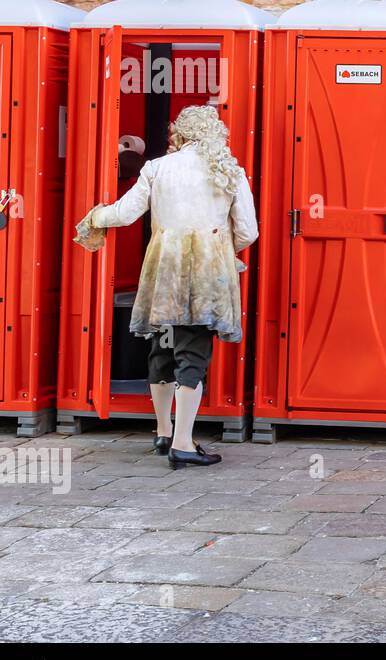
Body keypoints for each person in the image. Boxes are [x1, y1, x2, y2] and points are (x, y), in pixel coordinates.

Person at [74, 105, 257, 469]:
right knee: (193, 353)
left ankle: (162, 431)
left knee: (162, 345)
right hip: (206, 273)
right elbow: (248, 231)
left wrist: (95, 216)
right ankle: (184, 443)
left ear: (180, 134)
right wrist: (223, 249)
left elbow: (124, 214)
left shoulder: (157, 168)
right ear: (215, 134)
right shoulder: (230, 171)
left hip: (164, 269)